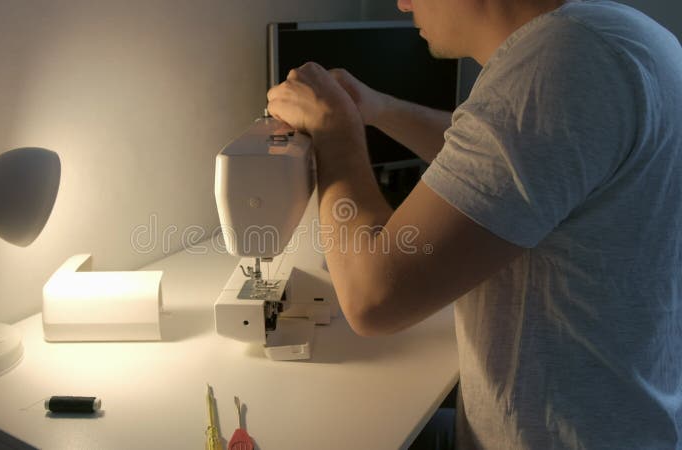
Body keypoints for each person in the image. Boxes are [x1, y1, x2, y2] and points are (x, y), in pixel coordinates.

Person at [266, 0, 682, 448]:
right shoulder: (624, 35)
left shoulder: (556, 61)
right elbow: (498, 161)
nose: (402, 2)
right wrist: (379, 109)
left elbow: (372, 299)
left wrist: (334, 130)